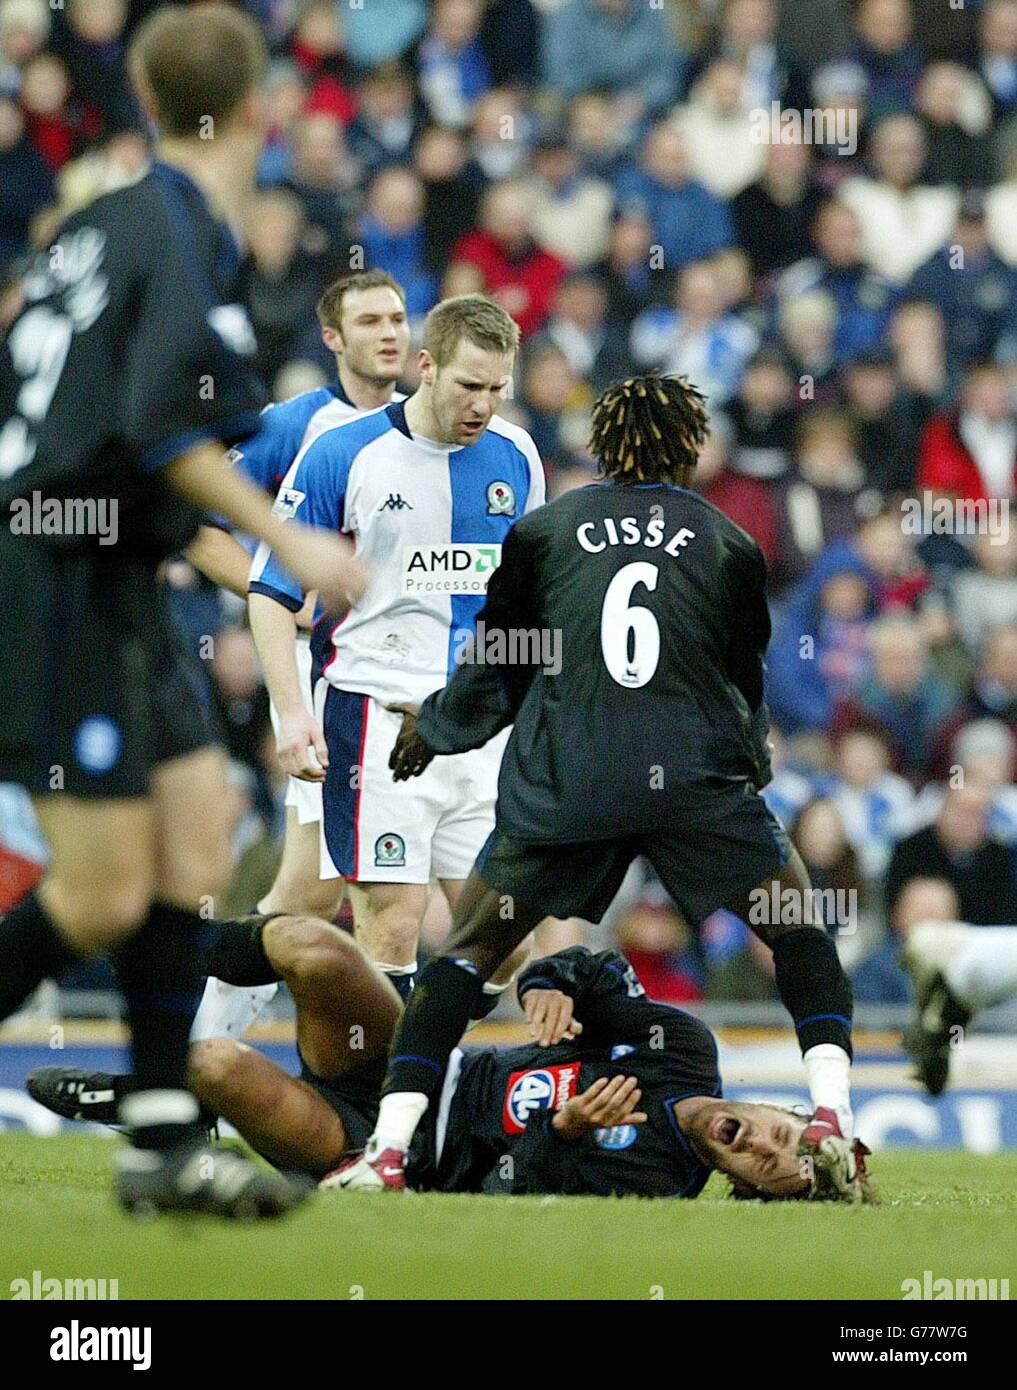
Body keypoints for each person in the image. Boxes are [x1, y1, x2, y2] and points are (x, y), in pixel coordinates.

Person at [0, 4, 365, 1218]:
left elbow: (118, 439)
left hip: (99, 564)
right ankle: (160, 1141)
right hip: (58, 578)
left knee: (200, 832)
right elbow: (164, 429)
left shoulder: (98, 221)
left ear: (151, 103)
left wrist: (238, 564)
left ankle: (160, 1137)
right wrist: (288, 538)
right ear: (261, 108)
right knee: (103, 894)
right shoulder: (178, 229)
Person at [335, 372, 859, 1195]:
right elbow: (740, 683)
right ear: (688, 447)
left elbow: (499, 660)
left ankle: (391, 1151)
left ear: (604, 445)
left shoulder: (545, 530)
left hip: (568, 780)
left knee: (465, 959)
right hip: (691, 780)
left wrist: (434, 728)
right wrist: (750, 770)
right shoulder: (728, 542)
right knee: (797, 929)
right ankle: (832, 1118)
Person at [27, 920, 874, 1204]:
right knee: (311, 947)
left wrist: (565, 1131)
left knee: (214, 1062)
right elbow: (598, 974)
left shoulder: (658, 1180)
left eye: (774, 1172)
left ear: (749, 1188)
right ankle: (146, 933)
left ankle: (157, 1097)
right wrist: (548, 981)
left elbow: (503, 1197)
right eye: (787, 1140)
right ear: (792, 1111)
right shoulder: (686, 1052)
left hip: (374, 1147)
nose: (766, 1149)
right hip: (416, 1067)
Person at [247, 293, 544, 1006]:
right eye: (469, 385)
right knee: (392, 925)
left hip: (477, 726)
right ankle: (374, 1109)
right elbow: (268, 591)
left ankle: (419, 1079)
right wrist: (291, 716)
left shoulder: (517, 454)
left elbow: (531, 596)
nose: (483, 404)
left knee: (506, 937)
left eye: (497, 388)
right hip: (373, 717)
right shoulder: (342, 453)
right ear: (426, 367)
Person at [186, 269, 411, 1043]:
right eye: (370, 321)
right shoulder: (293, 426)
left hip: (412, 678)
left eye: (398, 318)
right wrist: (283, 588)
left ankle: (196, 1058)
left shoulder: (435, 426)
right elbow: (199, 525)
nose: (390, 333)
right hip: (336, 676)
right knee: (336, 893)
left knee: (311, 892)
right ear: (331, 338)